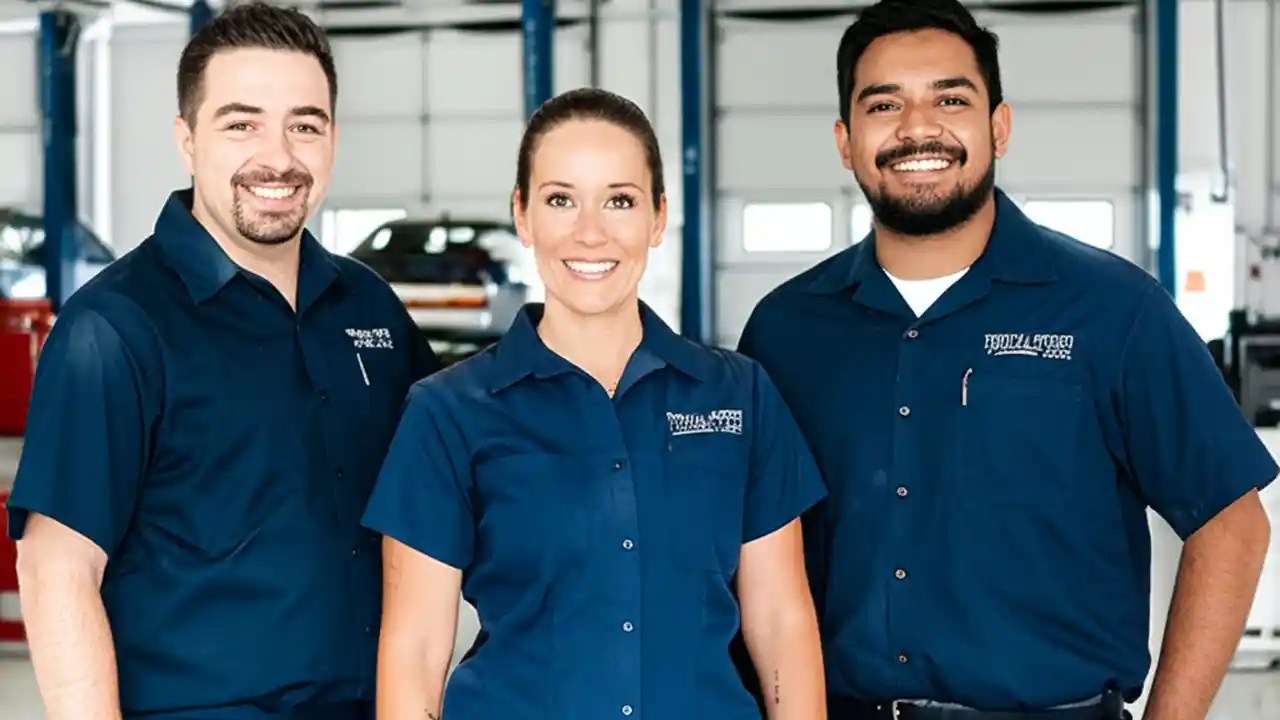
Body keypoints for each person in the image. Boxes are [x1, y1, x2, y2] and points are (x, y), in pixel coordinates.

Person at [735, 1, 1275, 718]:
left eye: (950, 99)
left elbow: (1231, 523)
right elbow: (750, 560)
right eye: (884, 104)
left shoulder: (1113, 310)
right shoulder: (785, 331)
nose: (917, 128)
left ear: (999, 127)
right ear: (845, 139)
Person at [6, 3, 439, 719]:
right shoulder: (114, 328)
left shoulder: (371, 310)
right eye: (241, 124)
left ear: (333, 138)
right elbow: (57, 569)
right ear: (187, 139)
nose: (278, 157)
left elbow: (450, 489)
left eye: (304, 124)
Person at [360, 86, 828, 720]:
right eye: (560, 200)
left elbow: (781, 625)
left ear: (658, 217)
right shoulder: (448, 412)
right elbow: (414, 651)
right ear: (522, 215)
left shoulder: (741, 396)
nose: (590, 233)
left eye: (619, 200)